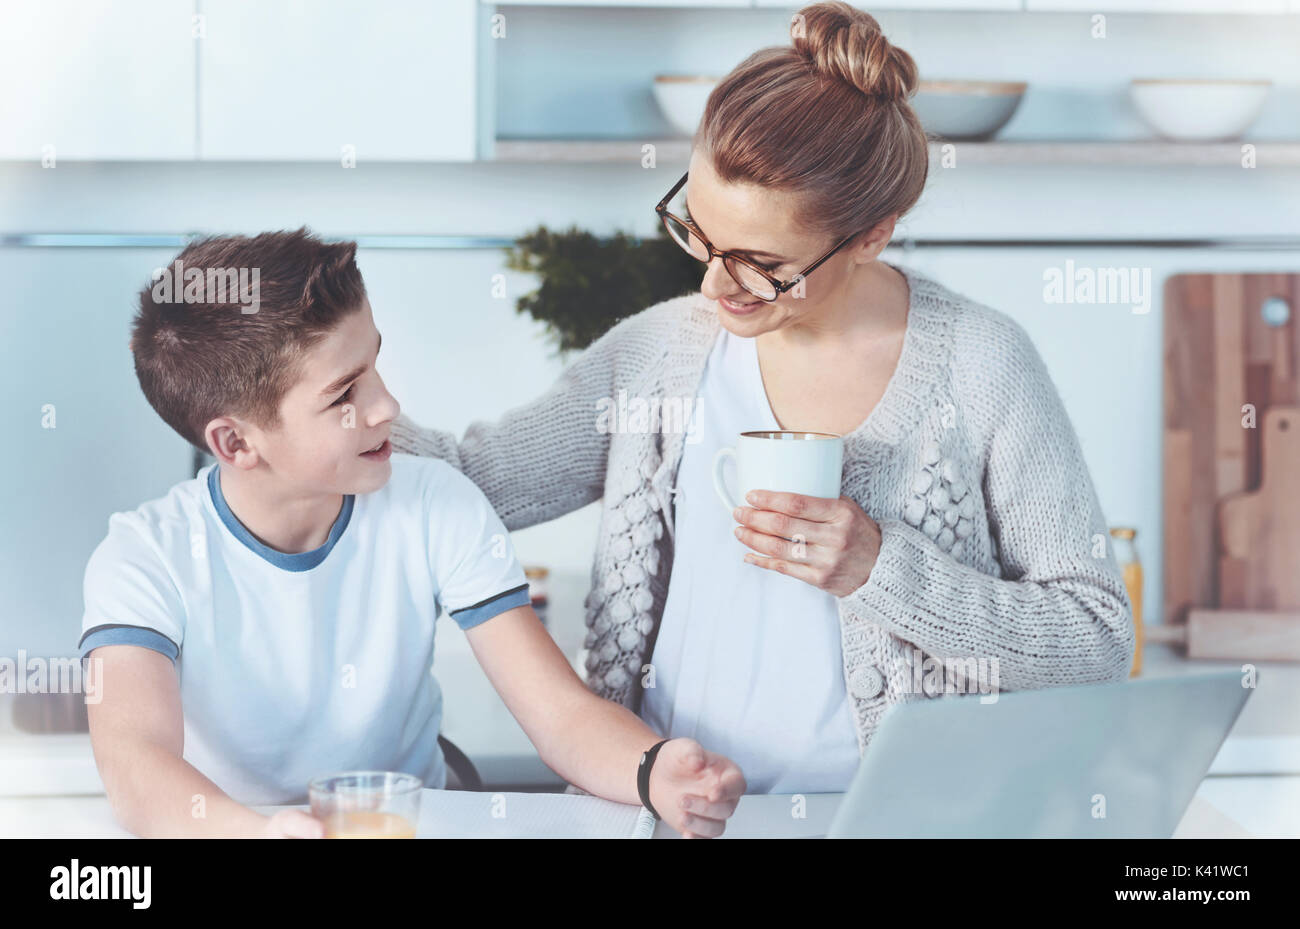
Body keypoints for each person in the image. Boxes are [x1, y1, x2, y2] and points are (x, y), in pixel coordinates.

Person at [390, 1, 1135, 794]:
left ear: (873, 234)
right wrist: (300, 394)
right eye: (700, 236)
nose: (714, 284)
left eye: (761, 262)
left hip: (896, 819)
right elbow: (468, 480)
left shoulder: (982, 365)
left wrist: (881, 568)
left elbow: (1094, 638)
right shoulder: (656, 356)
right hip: (671, 817)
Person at [79, 228, 745, 838]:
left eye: (373, 365)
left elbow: (560, 715)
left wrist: (652, 769)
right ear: (234, 442)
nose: (386, 405)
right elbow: (136, 761)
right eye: (344, 395)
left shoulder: (434, 502)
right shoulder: (144, 557)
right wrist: (260, 833)